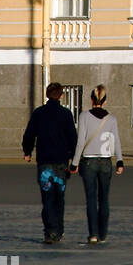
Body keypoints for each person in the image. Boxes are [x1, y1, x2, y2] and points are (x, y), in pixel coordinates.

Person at [22, 81, 77, 245]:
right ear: (61, 96)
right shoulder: (66, 114)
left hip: (44, 161)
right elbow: (72, 138)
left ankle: (49, 232)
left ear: (47, 95)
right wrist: (74, 159)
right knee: (59, 198)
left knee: (47, 199)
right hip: (61, 161)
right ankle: (58, 231)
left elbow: (29, 134)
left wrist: (27, 151)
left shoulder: (39, 113)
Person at [70, 85, 124, 245]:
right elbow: (116, 141)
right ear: (105, 101)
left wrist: (74, 163)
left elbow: (80, 141)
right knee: (104, 199)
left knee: (91, 199)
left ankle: (93, 234)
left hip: (88, 161)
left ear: (91, 99)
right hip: (106, 161)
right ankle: (103, 234)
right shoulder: (112, 119)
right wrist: (120, 161)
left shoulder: (84, 116)